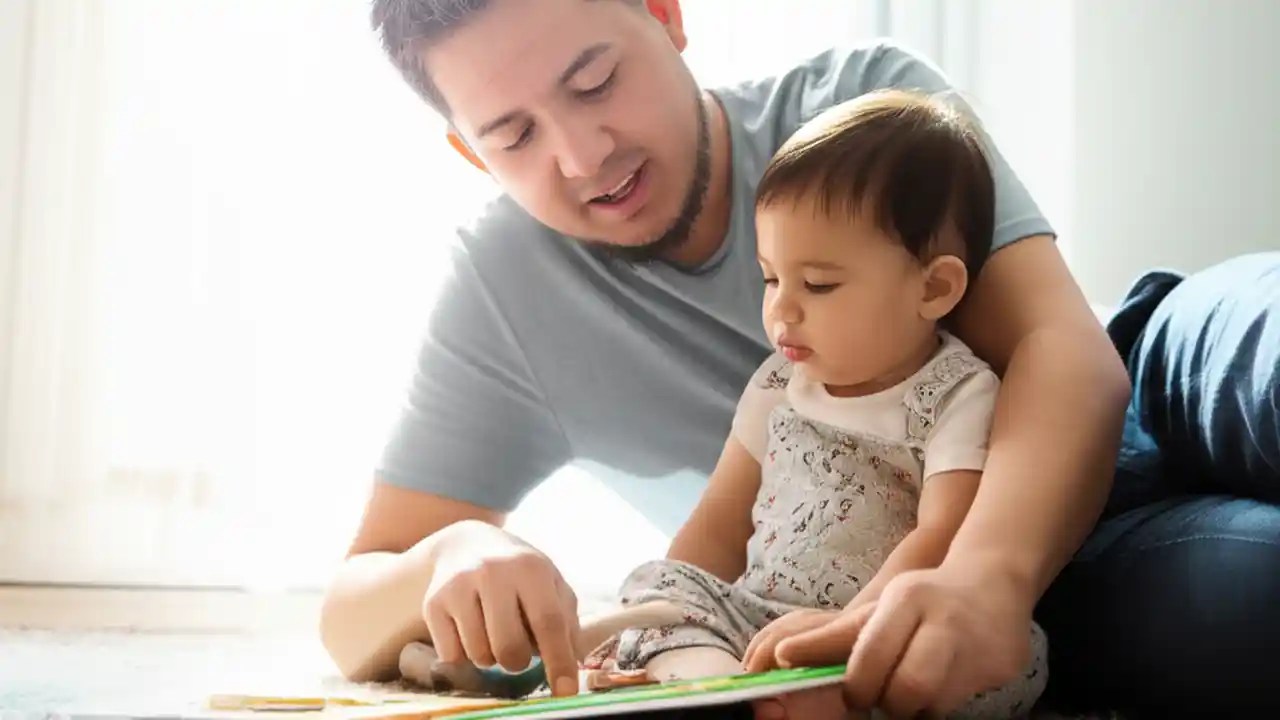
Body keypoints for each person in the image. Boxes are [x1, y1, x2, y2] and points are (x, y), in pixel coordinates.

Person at [319, 0, 1278, 717]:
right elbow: (353, 604)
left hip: (1142, 370)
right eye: (514, 135)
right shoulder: (505, 296)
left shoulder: (854, 102)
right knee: (1257, 600)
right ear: (471, 154)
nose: (582, 153)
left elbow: (1059, 351)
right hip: (1063, 583)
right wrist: (455, 549)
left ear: (664, 13)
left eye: (594, 80)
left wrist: (986, 577)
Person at [583, 88, 1049, 720]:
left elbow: (943, 537)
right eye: (772, 278)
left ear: (934, 287)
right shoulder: (778, 385)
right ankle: (719, 689)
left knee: (1016, 657)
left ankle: (788, 698)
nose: (781, 309)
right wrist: (636, 624)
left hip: (884, 627)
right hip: (763, 625)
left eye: (819, 284)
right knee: (655, 586)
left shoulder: (955, 392)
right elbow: (718, 523)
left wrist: (855, 628)